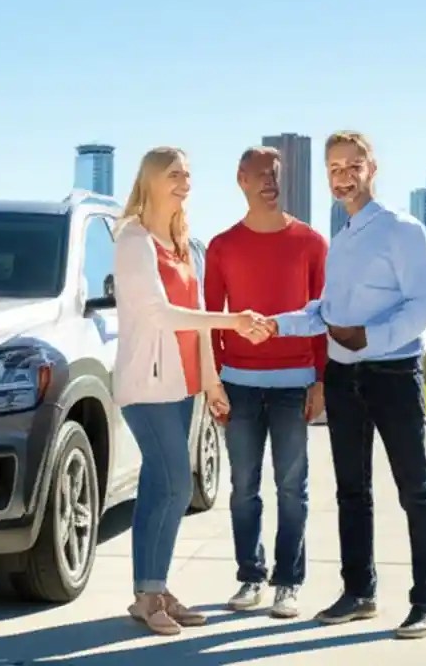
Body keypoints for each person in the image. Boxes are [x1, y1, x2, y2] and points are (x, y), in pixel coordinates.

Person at [271, 130, 426, 640]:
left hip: (393, 374)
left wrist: (370, 337)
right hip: (344, 376)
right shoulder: (342, 237)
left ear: (373, 167)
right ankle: (359, 592)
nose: (343, 175)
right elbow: (327, 313)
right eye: (333, 168)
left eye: (352, 165)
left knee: (415, 490)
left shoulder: (401, 229)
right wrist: (274, 323)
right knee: (352, 491)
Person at [112, 145, 271, 636]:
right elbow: (159, 314)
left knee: (162, 486)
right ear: (152, 179)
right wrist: (235, 320)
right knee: (176, 483)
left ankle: (154, 590)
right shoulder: (134, 240)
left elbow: (196, 323)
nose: (185, 181)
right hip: (146, 384)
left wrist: (210, 382)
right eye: (175, 174)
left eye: (188, 174)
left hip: (181, 384)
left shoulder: (181, 241)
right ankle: (146, 595)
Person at [204, 146, 328, 618]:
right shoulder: (222, 246)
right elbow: (210, 319)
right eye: (259, 174)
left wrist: (320, 381)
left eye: (275, 174)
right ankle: (250, 578)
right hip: (238, 383)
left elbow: (322, 318)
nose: (269, 182)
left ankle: (288, 583)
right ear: (241, 180)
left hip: (295, 383)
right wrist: (211, 380)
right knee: (242, 487)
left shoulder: (312, 243)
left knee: (292, 488)